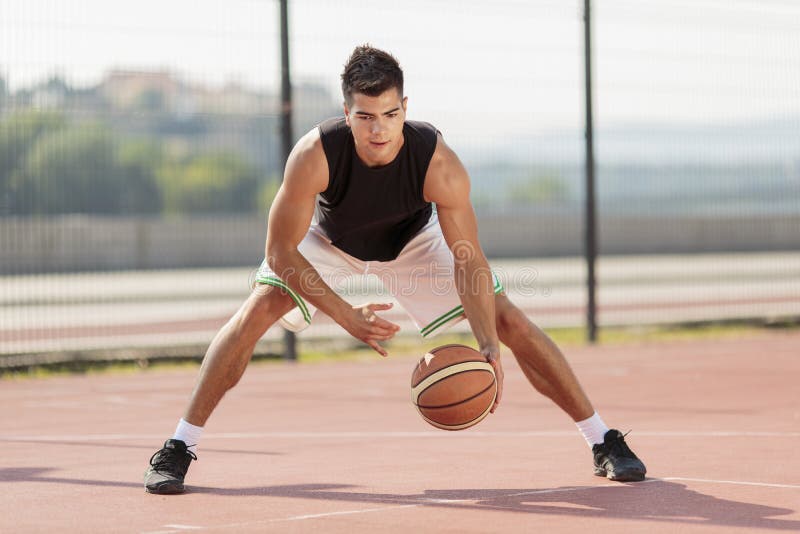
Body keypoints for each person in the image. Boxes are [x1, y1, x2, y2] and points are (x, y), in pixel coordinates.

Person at [144, 45, 646, 495]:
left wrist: (487, 342)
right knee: (257, 310)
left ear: (405, 107)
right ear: (346, 113)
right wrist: (345, 315)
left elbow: (468, 258)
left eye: (389, 113)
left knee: (507, 318)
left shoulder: (438, 162)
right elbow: (279, 252)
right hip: (333, 240)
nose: (379, 128)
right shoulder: (315, 155)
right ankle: (178, 447)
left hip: (412, 243)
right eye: (365, 117)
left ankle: (603, 439)